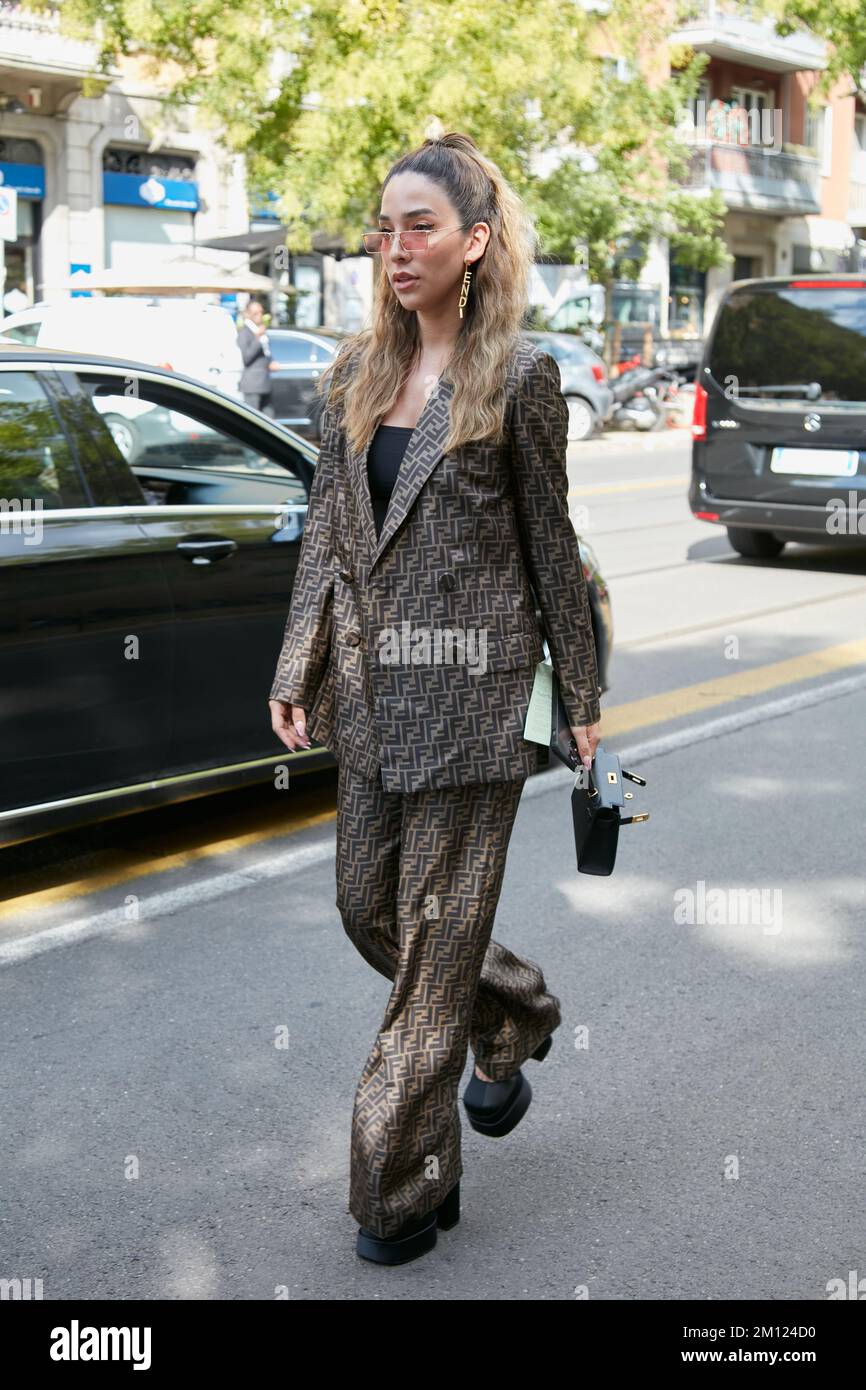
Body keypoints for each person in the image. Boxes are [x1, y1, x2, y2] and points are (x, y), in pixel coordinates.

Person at [267, 132, 603, 1266]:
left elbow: (550, 547)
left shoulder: (519, 379)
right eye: (384, 224)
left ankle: (398, 1185)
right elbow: (327, 526)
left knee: (423, 957)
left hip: (473, 705)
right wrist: (297, 663)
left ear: (472, 242)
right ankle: (510, 1011)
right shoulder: (353, 371)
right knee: (369, 911)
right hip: (370, 702)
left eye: (420, 226)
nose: (394, 246)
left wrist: (582, 694)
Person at [237, 300, 277, 415]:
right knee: (253, 418)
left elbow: (265, 353)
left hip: (264, 383)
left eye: (260, 312)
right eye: (255, 313)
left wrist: (270, 362)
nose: (259, 316)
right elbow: (247, 357)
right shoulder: (245, 332)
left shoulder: (260, 330)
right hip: (252, 384)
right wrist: (258, 338)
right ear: (248, 314)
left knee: (269, 420)